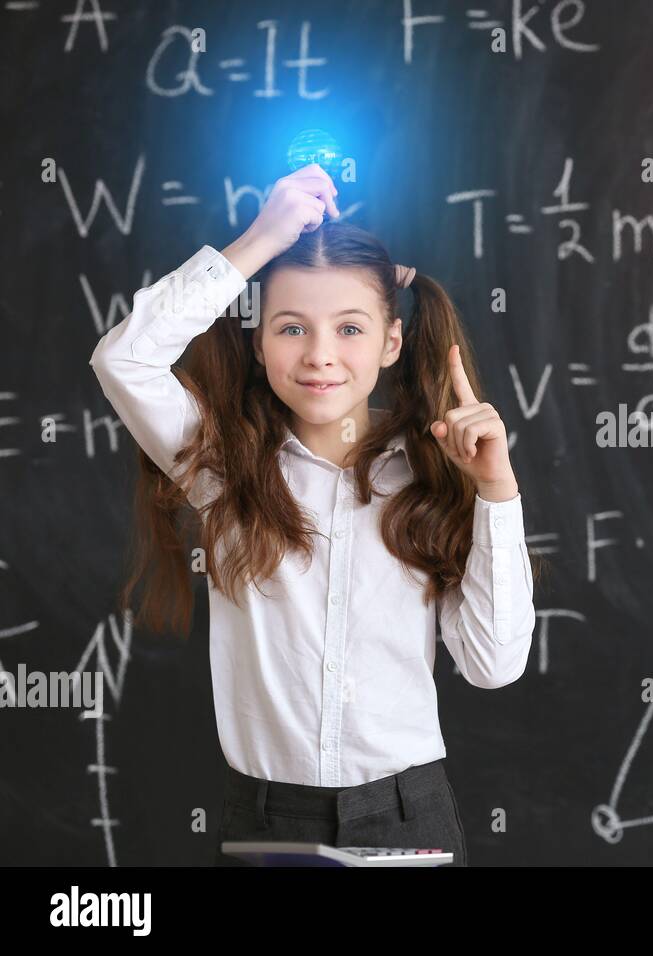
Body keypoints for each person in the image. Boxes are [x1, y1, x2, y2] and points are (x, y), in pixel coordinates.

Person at [88, 163, 536, 866]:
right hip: (271, 818)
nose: (321, 355)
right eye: (291, 328)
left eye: (350, 328)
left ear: (390, 343)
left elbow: (492, 665)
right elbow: (125, 359)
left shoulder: (433, 475)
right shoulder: (223, 468)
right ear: (260, 344)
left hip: (405, 816)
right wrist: (260, 242)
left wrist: (496, 492)